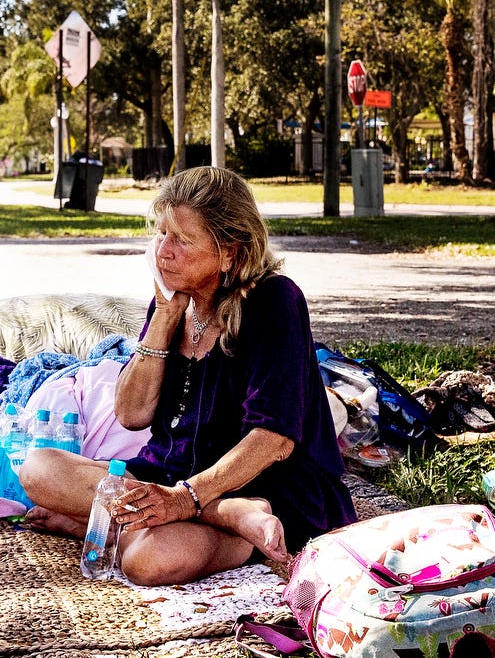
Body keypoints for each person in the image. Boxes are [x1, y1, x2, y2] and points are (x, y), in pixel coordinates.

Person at [20, 166, 357, 586]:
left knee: (149, 560)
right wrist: (164, 319)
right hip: (168, 477)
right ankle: (225, 518)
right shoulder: (174, 303)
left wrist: (187, 499)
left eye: (181, 239)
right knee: (39, 469)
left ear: (230, 252)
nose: (163, 251)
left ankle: (112, 524)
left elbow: (273, 439)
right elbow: (131, 414)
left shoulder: (275, 300)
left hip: (266, 488)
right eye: (161, 233)